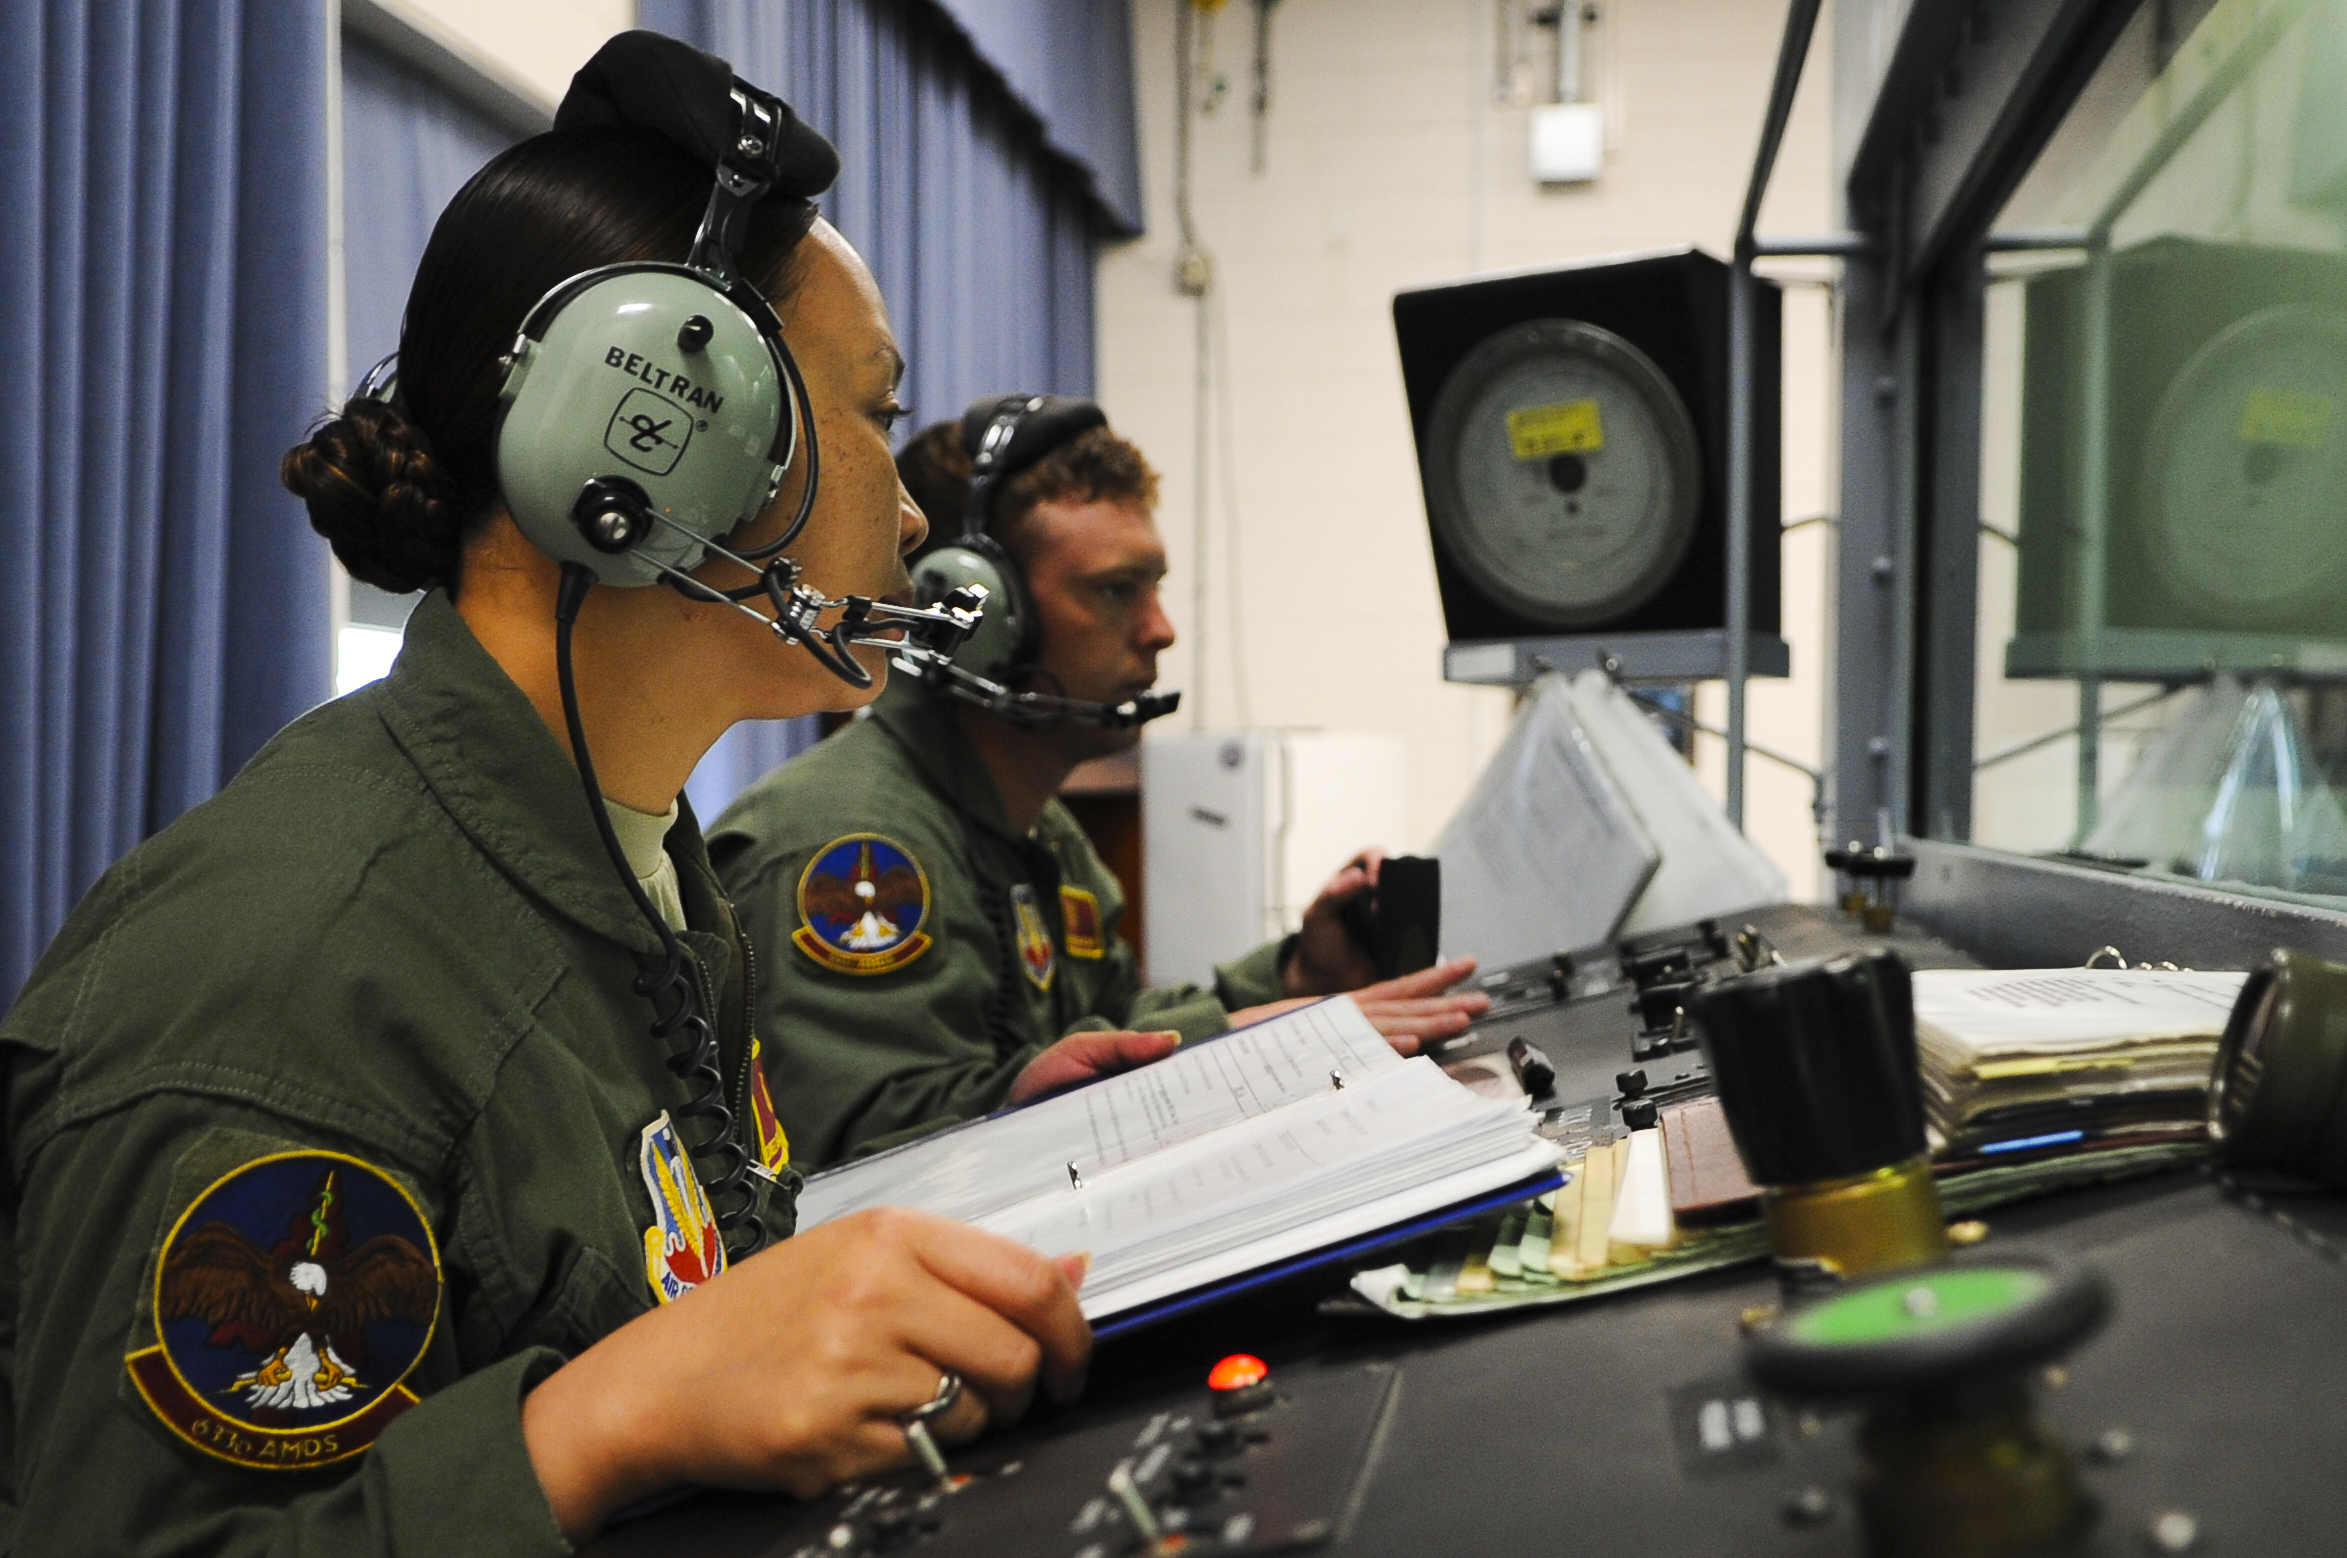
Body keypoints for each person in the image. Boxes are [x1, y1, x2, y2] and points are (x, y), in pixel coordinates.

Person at [0, 34, 1087, 1555]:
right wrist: (597, 1423)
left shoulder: (628, 862)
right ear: (657, 441)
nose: (909, 509)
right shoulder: (289, 977)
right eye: (874, 415)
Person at [708, 400, 1490, 1170]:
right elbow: (858, 1158)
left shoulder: (1040, 831)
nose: (1160, 629)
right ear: (976, 618)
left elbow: (1104, 1025)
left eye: (1154, 587)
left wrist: (1294, 979)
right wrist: (1249, 1046)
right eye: (1118, 590)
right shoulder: (851, 849)